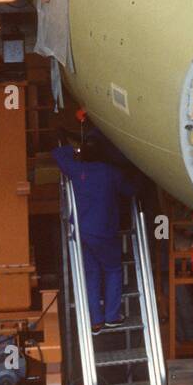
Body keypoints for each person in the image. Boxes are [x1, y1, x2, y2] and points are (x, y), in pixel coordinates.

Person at [52, 129, 134, 334]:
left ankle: (96, 320)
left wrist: (75, 146)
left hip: (82, 231)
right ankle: (112, 316)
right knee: (113, 269)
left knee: (92, 273)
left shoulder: (76, 169)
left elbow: (57, 153)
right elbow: (131, 190)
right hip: (104, 231)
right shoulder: (109, 172)